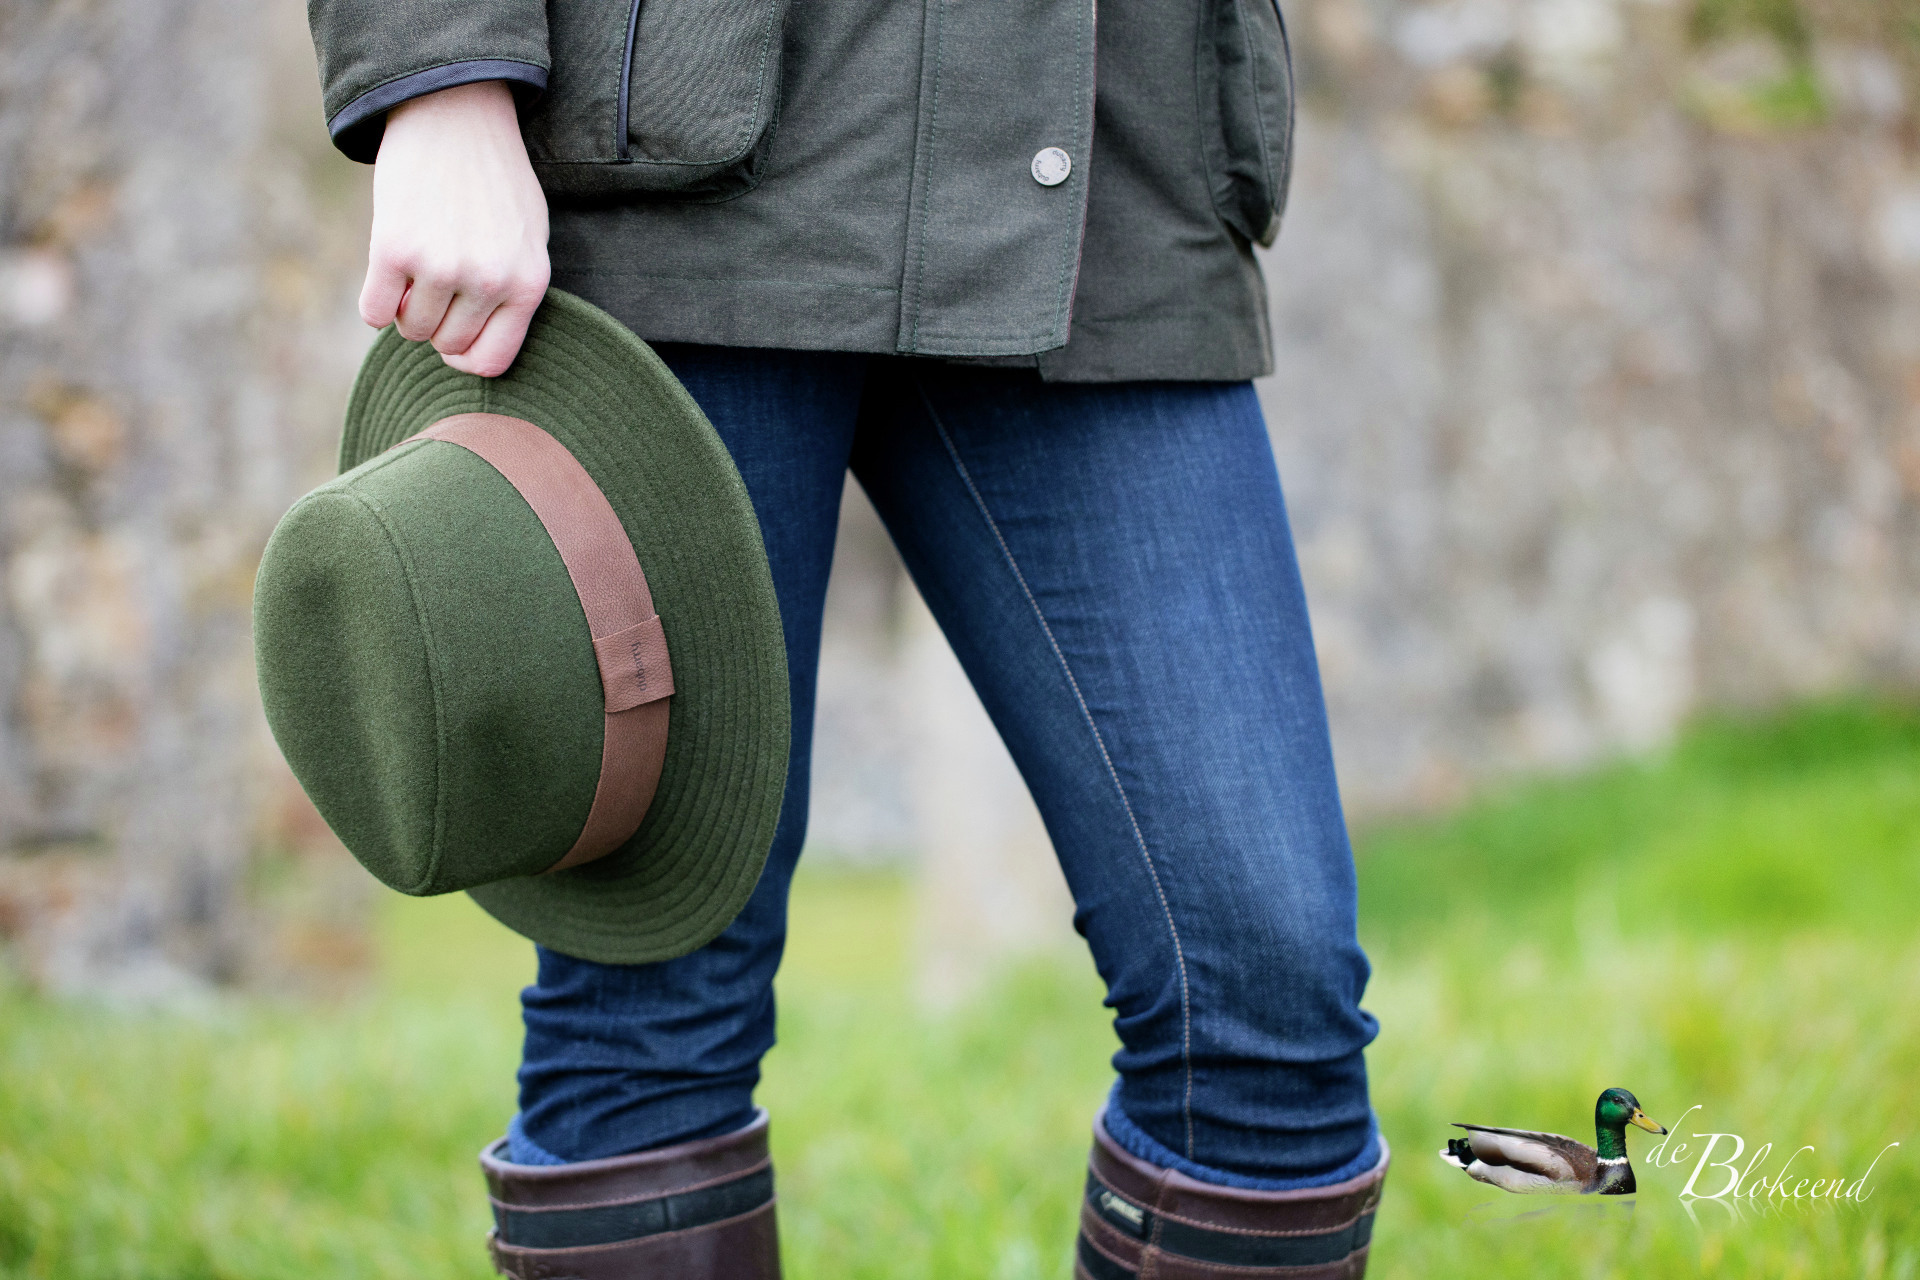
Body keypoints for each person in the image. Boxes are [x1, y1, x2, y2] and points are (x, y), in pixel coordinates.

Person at [307, 0, 1390, 1273]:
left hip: (1105, 173)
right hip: (682, 182)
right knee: (651, 1014)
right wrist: (435, 77)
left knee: (1266, 1018)